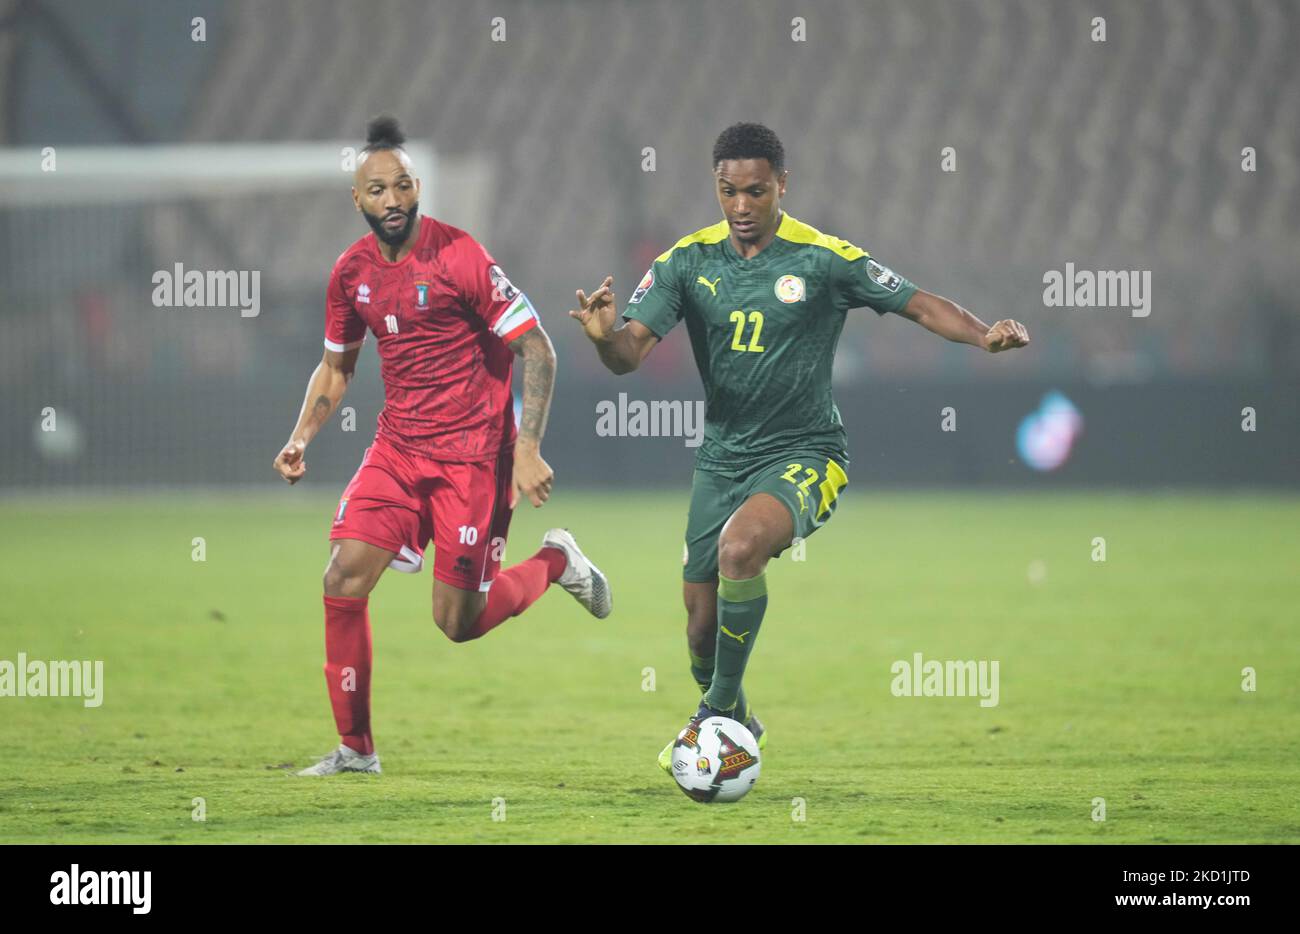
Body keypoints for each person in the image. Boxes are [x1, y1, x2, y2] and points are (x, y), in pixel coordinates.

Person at [569, 122, 1028, 771]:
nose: (742, 207)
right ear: (716, 187)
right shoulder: (686, 262)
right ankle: (735, 713)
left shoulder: (823, 258)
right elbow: (628, 354)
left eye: (756, 191)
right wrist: (599, 335)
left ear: (782, 185)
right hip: (721, 458)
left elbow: (918, 304)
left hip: (807, 451)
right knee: (700, 632)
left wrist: (984, 337)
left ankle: (714, 717)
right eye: (728, 192)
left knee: (740, 549)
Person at [274, 116, 611, 776]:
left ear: (417, 186)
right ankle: (356, 751)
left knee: (457, 622)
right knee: (342, 577)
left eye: (402, 186)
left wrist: (527, 447)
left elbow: (536, 347)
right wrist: (300, 437)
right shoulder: (351, 274)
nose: (393, 200)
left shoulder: (460, 256)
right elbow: (337, 366)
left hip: (475, 459)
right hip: (398, 451)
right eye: (377, 190)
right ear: (358, 199)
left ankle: (554, 561)